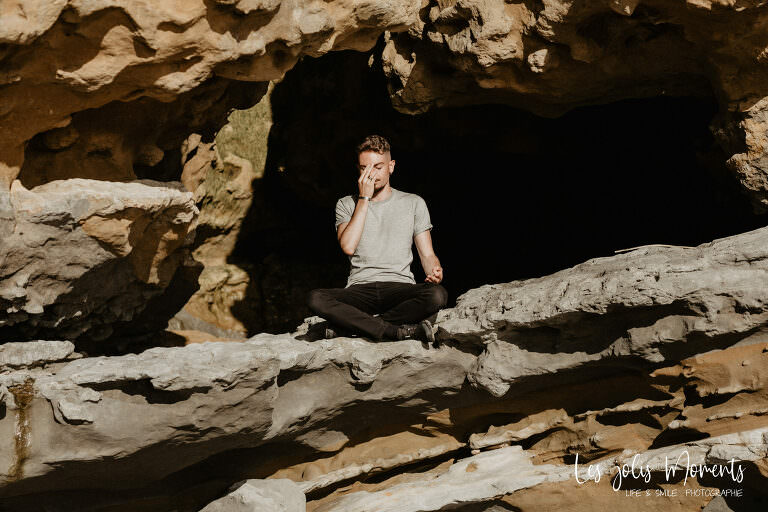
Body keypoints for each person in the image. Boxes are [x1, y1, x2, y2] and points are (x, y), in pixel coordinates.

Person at [306, 134, 448, 344]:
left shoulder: (414, 202)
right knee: (315, 298)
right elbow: (348, 246)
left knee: (437, 295)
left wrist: (434, 270)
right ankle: (394, 331)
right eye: (365, 168)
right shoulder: (346, 204)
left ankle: (354, 329)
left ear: (391, 166)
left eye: (378, 167)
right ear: (358, 169)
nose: (372, 174)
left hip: (399, 287)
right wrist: (364, 198)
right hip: (360, 289)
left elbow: (427, 254)